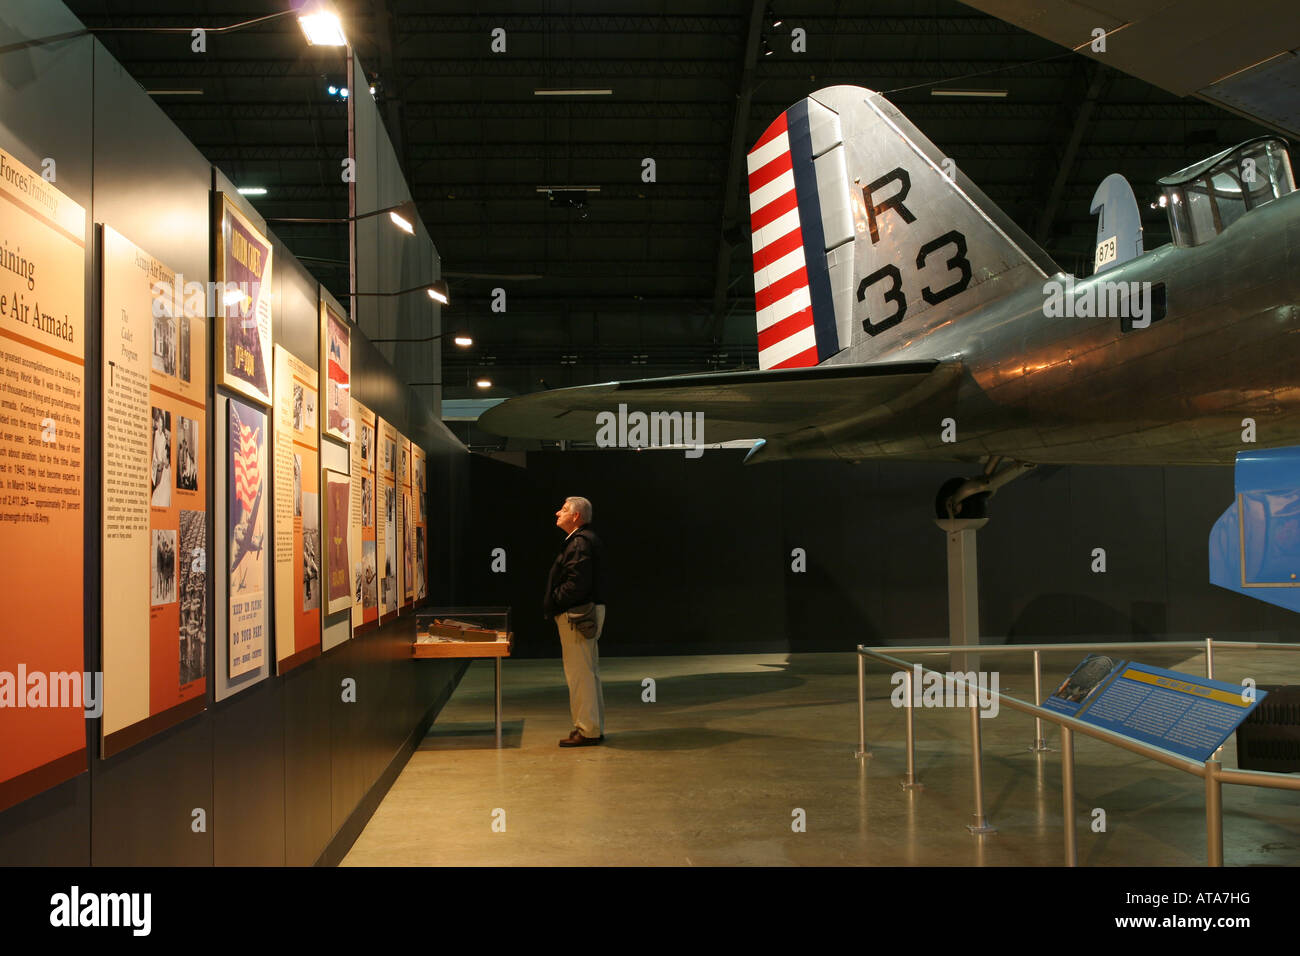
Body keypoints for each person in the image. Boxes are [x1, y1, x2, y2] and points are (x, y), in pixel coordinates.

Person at [544, 496, 607, 747]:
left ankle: (588, 730)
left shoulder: (580, 542)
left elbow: (576, 584)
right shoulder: (583, 540)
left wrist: (556, 601)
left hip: (577, 615)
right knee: (588, 673)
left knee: (580, 675)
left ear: (577, 517)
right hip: (582, 613)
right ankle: (591, 726)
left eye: (564, 509)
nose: (558, 512)